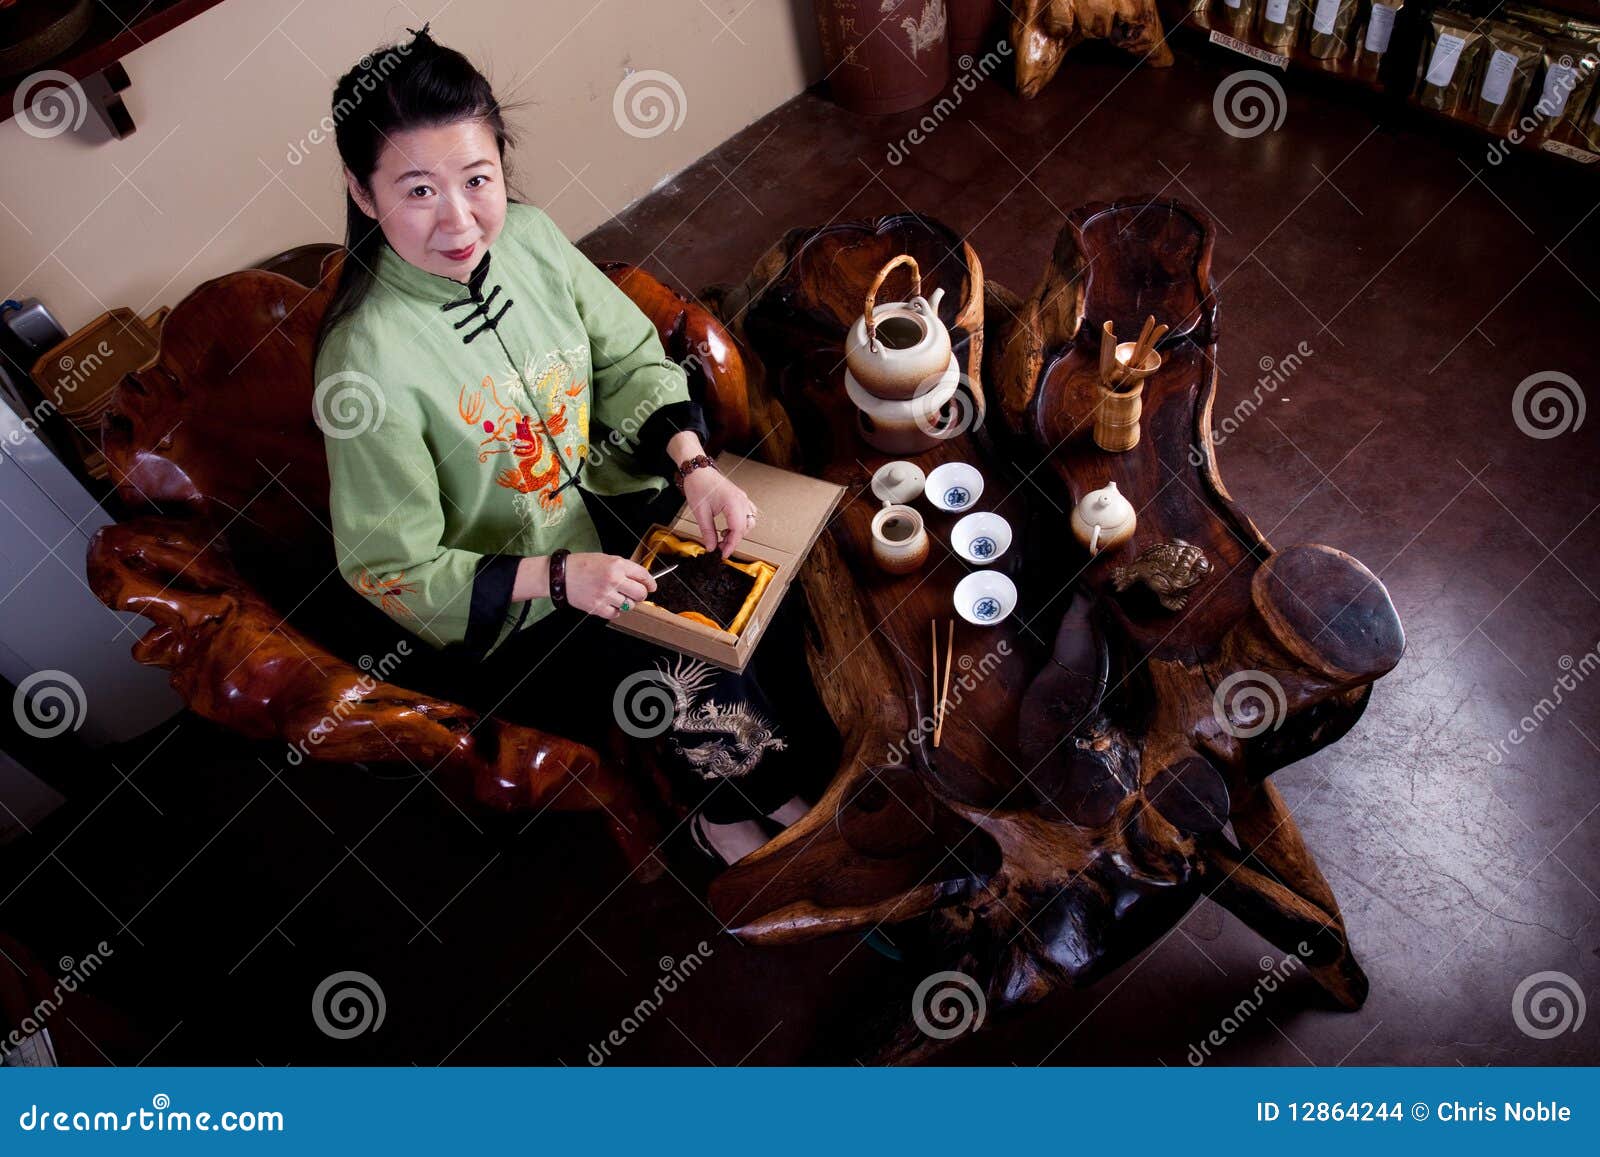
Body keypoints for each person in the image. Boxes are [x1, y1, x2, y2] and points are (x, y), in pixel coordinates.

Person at [313, 25, 811, 863]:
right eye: (418, 191)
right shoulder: (363, 362)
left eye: (478, 178)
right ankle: (759, 808)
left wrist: (692, 469)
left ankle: (734, 794)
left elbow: (624, 356)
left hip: (619, 500)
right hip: (519, 606)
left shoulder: (533, 239)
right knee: (678, 664)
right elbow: (387, 566)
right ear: (364, 196)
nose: (461, 219)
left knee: (758, 573)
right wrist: (555, 575)